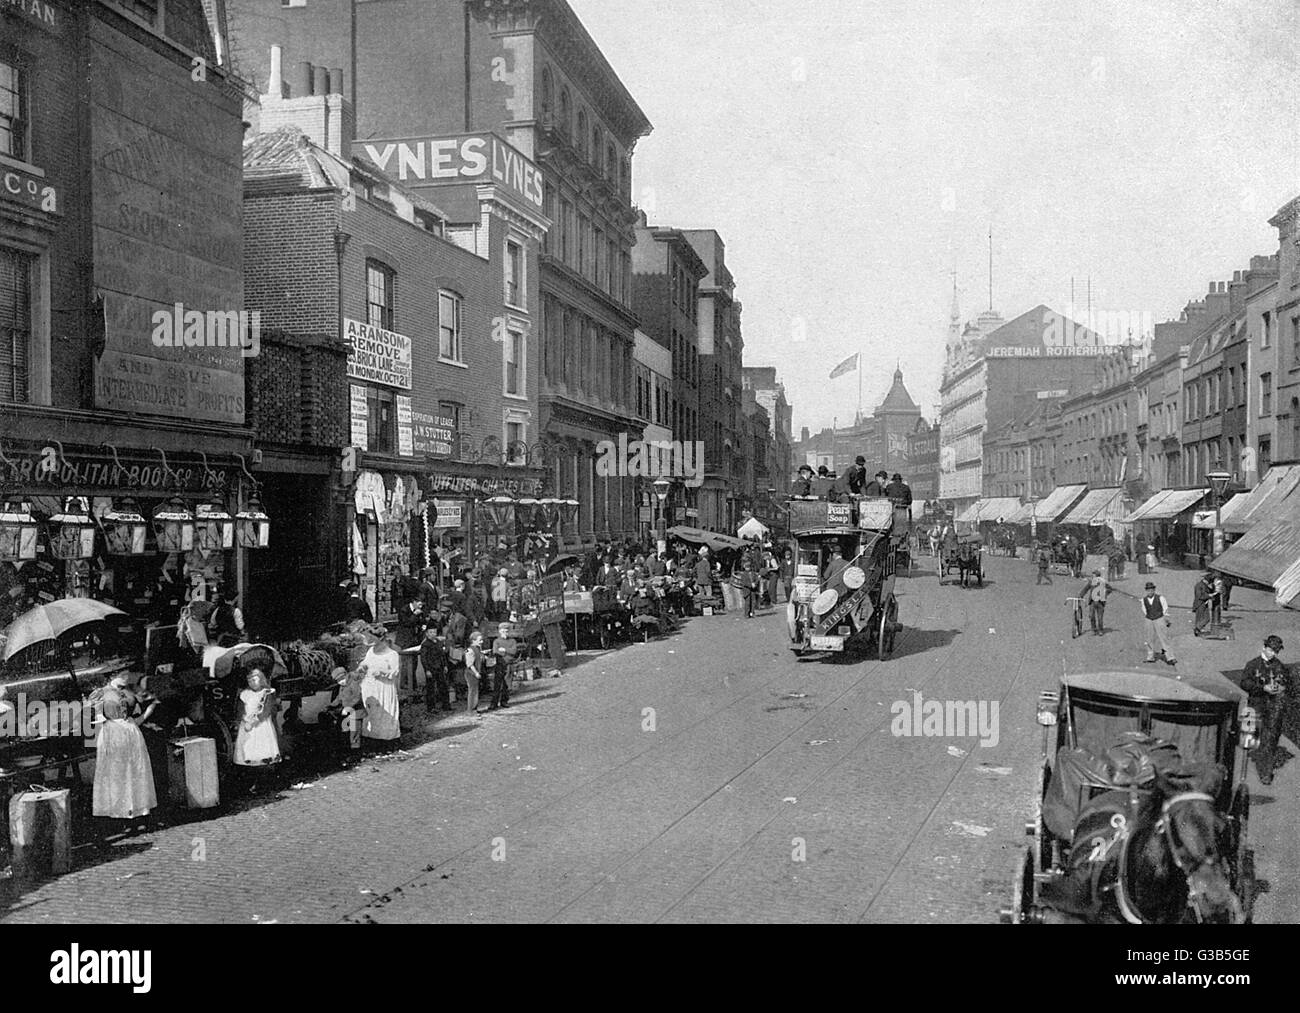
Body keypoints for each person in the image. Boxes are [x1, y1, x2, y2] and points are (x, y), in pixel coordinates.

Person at [91, 671, 159, 826]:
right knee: (116, 773)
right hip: (112, 733)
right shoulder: (101, 693)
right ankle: (119, 815)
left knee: (135, 772)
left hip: (131, 732)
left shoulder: (132, 690)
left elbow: (153, 701)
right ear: (113, 675)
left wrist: (140, 719)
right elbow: (93, 715)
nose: (127, 677)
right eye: (123, 673)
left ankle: (139, 814)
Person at [1240, 635, 1288, 785]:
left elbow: (1286, 681)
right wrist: (1262, 688)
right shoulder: (1253, 664)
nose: (1273, 654)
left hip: (1273, 709)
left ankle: (1265, 773)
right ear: (1264, 648)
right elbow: (1244, 683)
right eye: (1271, 650)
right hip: (1256, 705)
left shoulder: (1279, 665)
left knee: (1269, 740)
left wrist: (1281, 687)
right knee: (1249, 739)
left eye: (1276, 651)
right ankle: (1242, 769)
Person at [358, 634, 401, 745]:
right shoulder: (371, 651)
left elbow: (394, 672)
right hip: (371, 686)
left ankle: (387, 741)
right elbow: (366, 663)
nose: (374, 645)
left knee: (385, 713)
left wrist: (382, 672)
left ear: (382, 640)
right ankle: (372, 740)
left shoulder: (392, 654)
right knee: (372, 713)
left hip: (384, 688)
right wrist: (362, 666)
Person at [234, 668, 281, 766]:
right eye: (249, 681)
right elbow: (240, 709)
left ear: (261, 679)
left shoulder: (267, 693)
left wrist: (255, 721)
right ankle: (250, 767)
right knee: (248, 746)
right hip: (247, 723)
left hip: (261, 724)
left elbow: (266, 711)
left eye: (254, 680)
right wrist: (244, 719)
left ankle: (264, 767)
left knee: (262, 747)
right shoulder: (245, 694)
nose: (252, 683)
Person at [1140, 582, 1177, 667]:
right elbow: (1144, 610)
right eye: (1148, 590)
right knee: (1149, 638)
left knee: (1164, 638)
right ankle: (1150, 657)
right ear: (1146, 591)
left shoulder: (1160, 598)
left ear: (1154, 590)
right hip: (1149, 619)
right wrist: (1149, 616)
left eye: (1151, 590)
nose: (1150, 592)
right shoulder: (1144, 600)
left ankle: (1170, 657)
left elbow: (1165, 608)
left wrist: (1164, 618)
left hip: (1159, 618)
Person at [419, 624, 452, 713]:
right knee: (431, 689)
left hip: (440, 667)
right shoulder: (425, 644)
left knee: (443, 686)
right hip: (431, 668)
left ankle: (446, 705)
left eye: (434, 632)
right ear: (427, 634)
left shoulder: (438, 642)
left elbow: (442, 655)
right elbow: (423, 659)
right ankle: (431, 707)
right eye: (431, 632)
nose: (433, 634)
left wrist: (445, 665)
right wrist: (427, 670)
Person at [1079, 570, 1109, 636]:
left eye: (1093, 575)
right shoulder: (1091, 582)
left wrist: (1105, 595)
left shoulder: (1103, 582)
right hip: (1092, 602)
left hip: (1100, 602)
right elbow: (1085, 589)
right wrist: (1080, 596)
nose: (1092, 577)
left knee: (1100, 617)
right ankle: (1094, 629)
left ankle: (1100, 630)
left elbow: (1109, 588)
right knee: (1091, 616)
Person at [464, 630, 486, 715]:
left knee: (476, 691)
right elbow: (469, 664)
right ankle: (470, 710)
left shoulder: (478, 648)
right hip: (471, 674)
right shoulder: (470, 650)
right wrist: (476, 673)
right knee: (472, 691)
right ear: (473, 640)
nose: (482, 642)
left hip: (476, 673)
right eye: (480, 640)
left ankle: (474, 708)